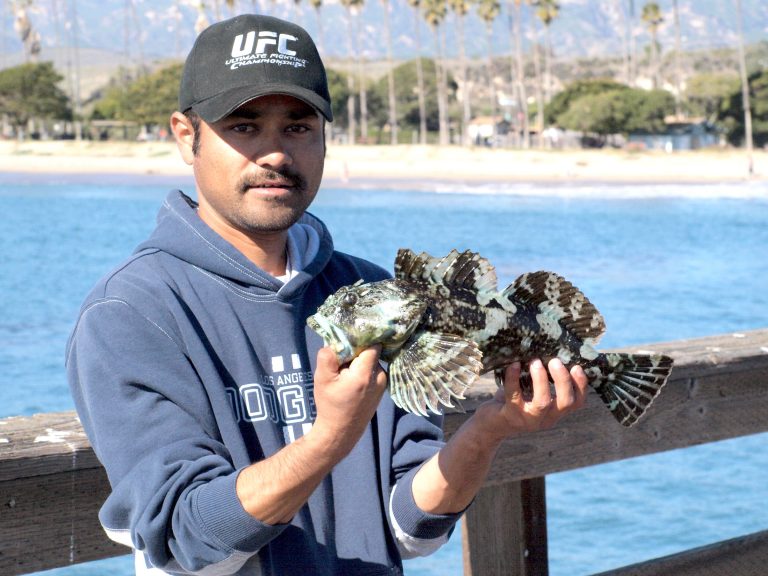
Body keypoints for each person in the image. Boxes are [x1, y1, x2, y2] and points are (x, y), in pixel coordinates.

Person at [66, 13, 588, 576]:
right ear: (186, 135)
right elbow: (187, 532)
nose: (275, 154)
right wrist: (330, 437)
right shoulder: (131, 314)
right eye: (244, 127)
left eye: (298, 127)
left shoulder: (372, 297)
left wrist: (490, 429)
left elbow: (408, 525)